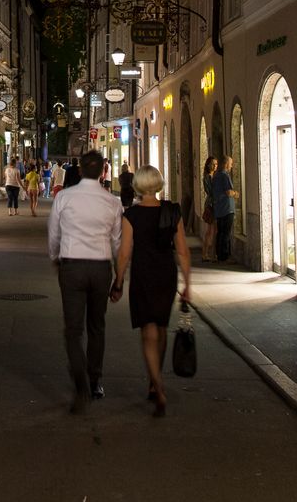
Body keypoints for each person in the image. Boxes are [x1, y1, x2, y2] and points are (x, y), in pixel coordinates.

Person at [110, 164, 190, 418]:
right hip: (166, 274)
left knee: (148, 331)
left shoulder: (131, 216)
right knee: (162, 327)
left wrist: (118, 281)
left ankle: (158, 385)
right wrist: (188, 284)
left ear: (138, 185)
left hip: (143, 274)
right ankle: (155, 381)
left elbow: (124, 252)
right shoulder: (172, 211)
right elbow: (183, 250)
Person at [48, 150, 123, 414]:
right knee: (96, 327)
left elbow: (54, 234)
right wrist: (119, 279)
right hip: (100, 268)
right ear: (104, 171)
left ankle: (80, 384)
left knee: (73, 329)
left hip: (72, 266)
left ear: (80, 170)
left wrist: (55, 258)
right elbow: (117, 243)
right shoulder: (113, 202)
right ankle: (95, 381)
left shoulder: (64, 198)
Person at [212, 154, 239, 262]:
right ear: (226, 164)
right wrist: (236, 193)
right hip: (227, 208)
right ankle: (225, 256)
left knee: (220, 232)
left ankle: (219, 254)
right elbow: (228, 191)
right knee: (226, 233)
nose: (231, 166)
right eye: (231, 164)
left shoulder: (216, 176)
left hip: (219, 208)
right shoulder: (224, 176)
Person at [201, 156, 218, 261]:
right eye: (213, 164)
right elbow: (211, 191)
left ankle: (211, 253)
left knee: (214, 230)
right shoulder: (208, 177)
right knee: (210, 230)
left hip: (214, 204)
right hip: (211, 205)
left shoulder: (214, 176)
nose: (215, 166)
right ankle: (206, 253)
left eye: (216, 164)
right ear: (208, 165)